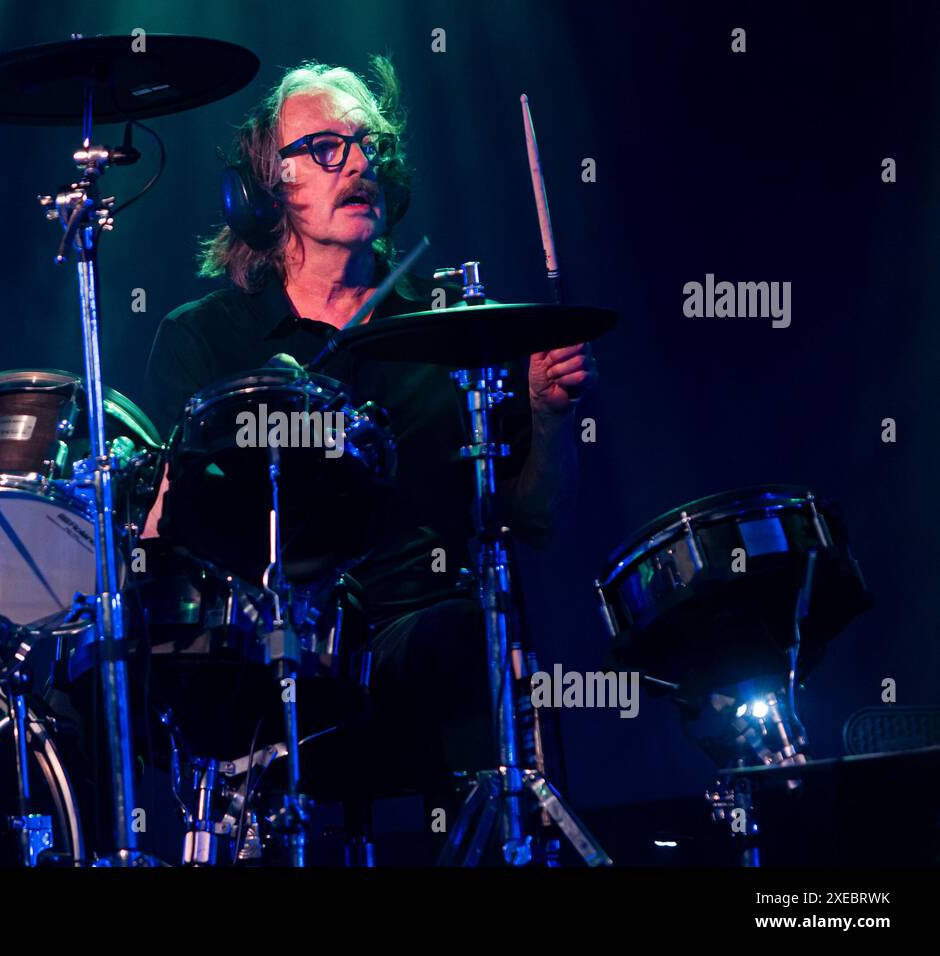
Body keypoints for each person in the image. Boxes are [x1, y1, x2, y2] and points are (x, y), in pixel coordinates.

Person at [140, 56, 597, 853]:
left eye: (370, 147)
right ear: (262, 187)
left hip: (416, 634)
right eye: (325, 148)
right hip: (266, 644)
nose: (357, 164)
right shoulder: (201, 338)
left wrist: (548, 416)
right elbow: (165, 530)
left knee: (468, 636)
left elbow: (533, 515)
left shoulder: (458, 331)